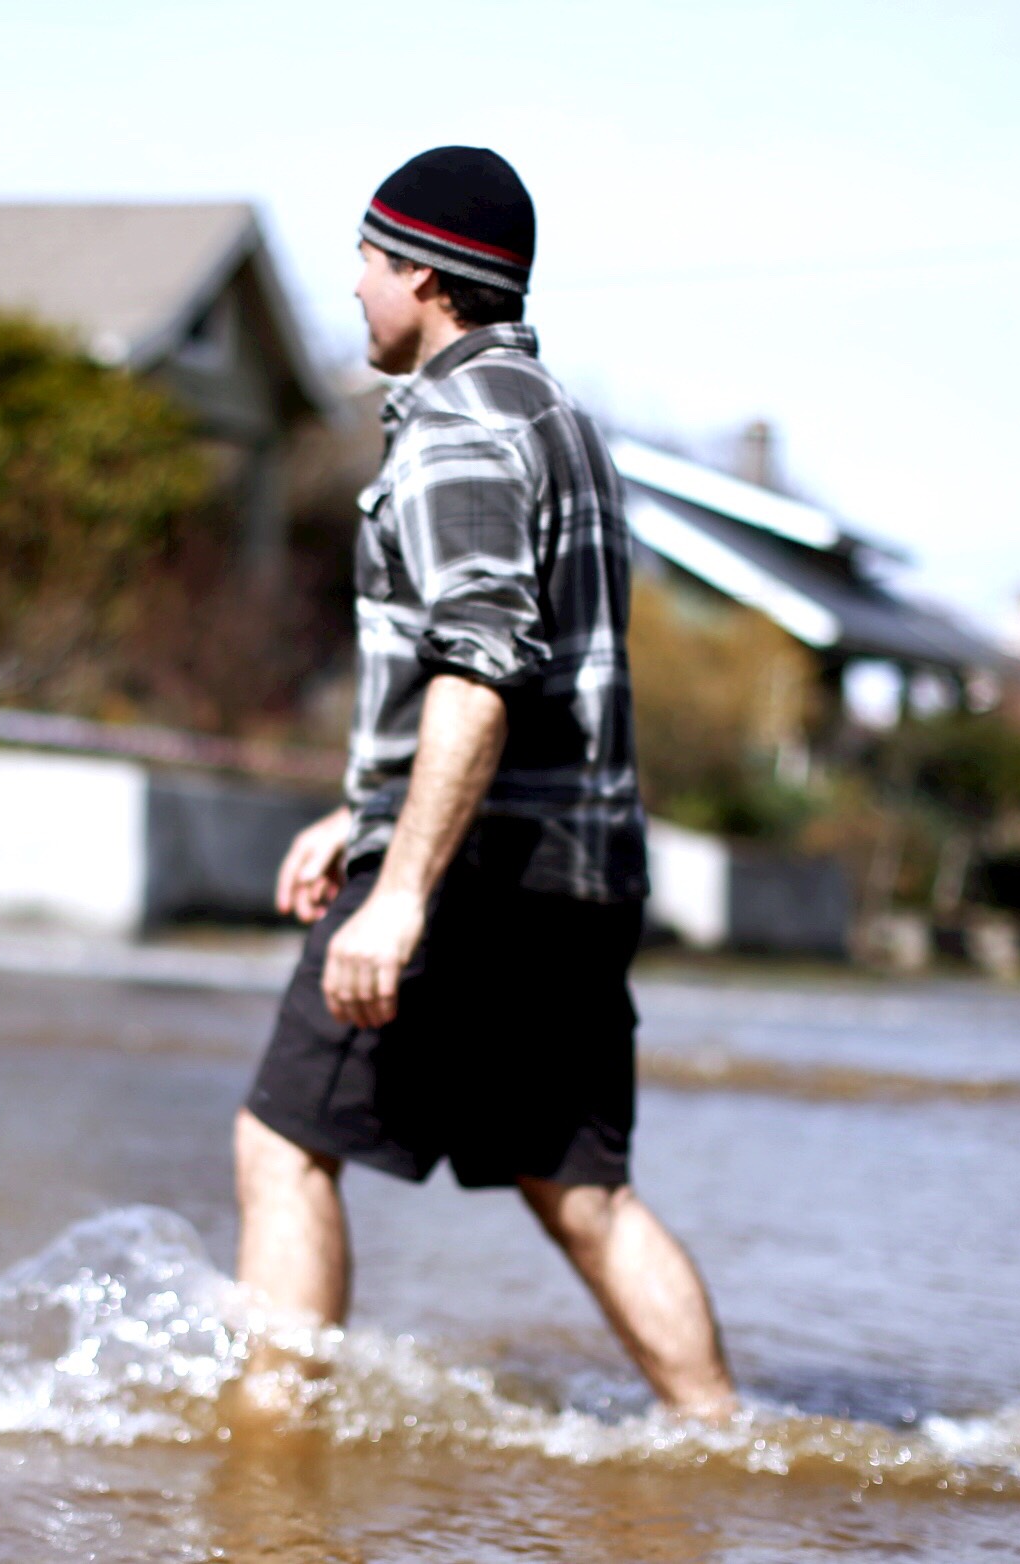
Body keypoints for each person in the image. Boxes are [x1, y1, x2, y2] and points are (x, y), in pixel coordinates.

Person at [233, 147, 736, 1421]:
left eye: (366, 258)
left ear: (425, 275)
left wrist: (396, 889)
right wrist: (365, 806)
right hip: (577, 871)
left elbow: (479, 669)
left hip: (471, 884)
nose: (350, 286)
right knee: (582, 1192)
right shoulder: (556, 419)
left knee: (284, 1144)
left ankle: (271, 1457)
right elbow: (529, 667)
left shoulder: (456, 427)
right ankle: (721, 1445)